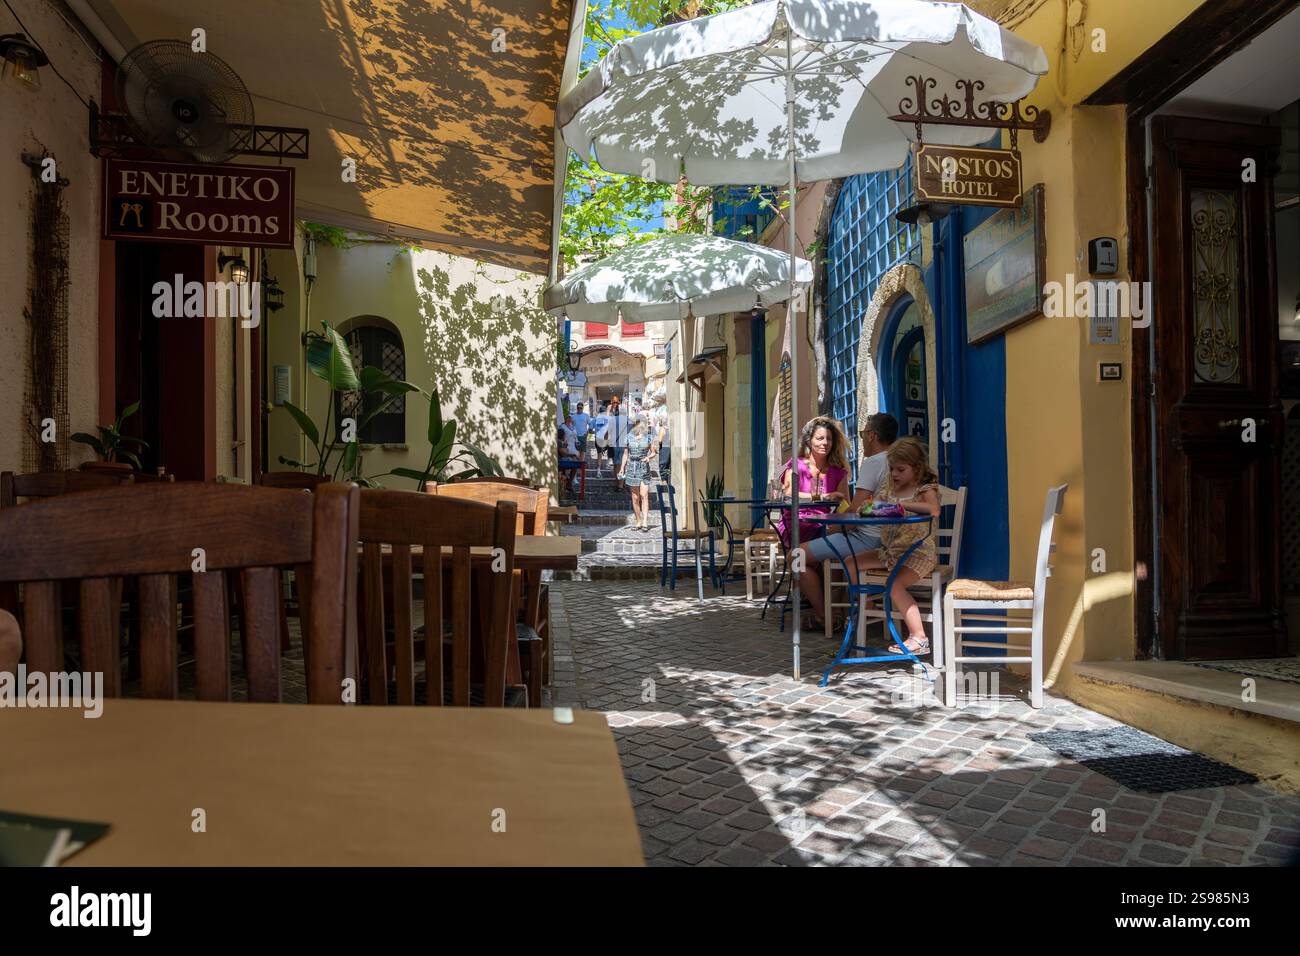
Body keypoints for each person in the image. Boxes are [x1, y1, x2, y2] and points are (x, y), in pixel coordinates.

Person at [797, 412, 899, 628]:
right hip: (891, 537)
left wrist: (833, 529)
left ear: (871, 435)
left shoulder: (873, 462)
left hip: (867, 538)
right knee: (827, 558)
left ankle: (825, 617)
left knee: (796, 556)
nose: (862, 438)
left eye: (863, 434)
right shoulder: (899, 461)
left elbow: (855, 511)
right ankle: (840, 612)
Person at [851, 437, 941, 655]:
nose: (894, 474)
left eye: (900, 469)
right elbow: (874, 506)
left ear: (917, 468)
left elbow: (934, 510)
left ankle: (919, 638)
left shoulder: (925, 489)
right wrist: (869, 507)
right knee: (850, 563)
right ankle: (867, 609)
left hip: (918, 555)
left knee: (894, 585)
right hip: (889, 553)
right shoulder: (889, 489)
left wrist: (901, 505)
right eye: (892, 469)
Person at [774, 416, 850, 548]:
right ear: (809, 442)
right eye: (820, 438)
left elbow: (845, 506)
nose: (825, 442)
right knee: (828, 540)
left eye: (829, 439)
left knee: (846, 537)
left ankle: (813, 565)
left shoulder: (838, 472)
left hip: (824, 523)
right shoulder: (796, 466)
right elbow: (788, 496)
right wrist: (822, 497)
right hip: (796, 522)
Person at [618, 413, 656, 531]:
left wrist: (648, 458)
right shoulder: (628, 437)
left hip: (644, 467)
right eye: (636, 422)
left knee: (644, 495)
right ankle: (638, 521)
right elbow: (625, 453)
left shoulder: (648, 437)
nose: (638, 424)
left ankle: (645, 522)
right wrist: (622, 468)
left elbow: (654, 452)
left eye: (640, 422)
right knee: (635, 497)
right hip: (632, 468)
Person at [558, 423, 580, 494]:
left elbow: (565, 451)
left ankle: (568, 482)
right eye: (564, 434)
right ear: (562, 435)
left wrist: (565, 445)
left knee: (571, 466)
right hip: (560, 462)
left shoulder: (561, 442)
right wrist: (572, 455)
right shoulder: (559, 442)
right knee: (574, 467)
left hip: (561, 461)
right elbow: (563, 453)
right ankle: (569, 483)